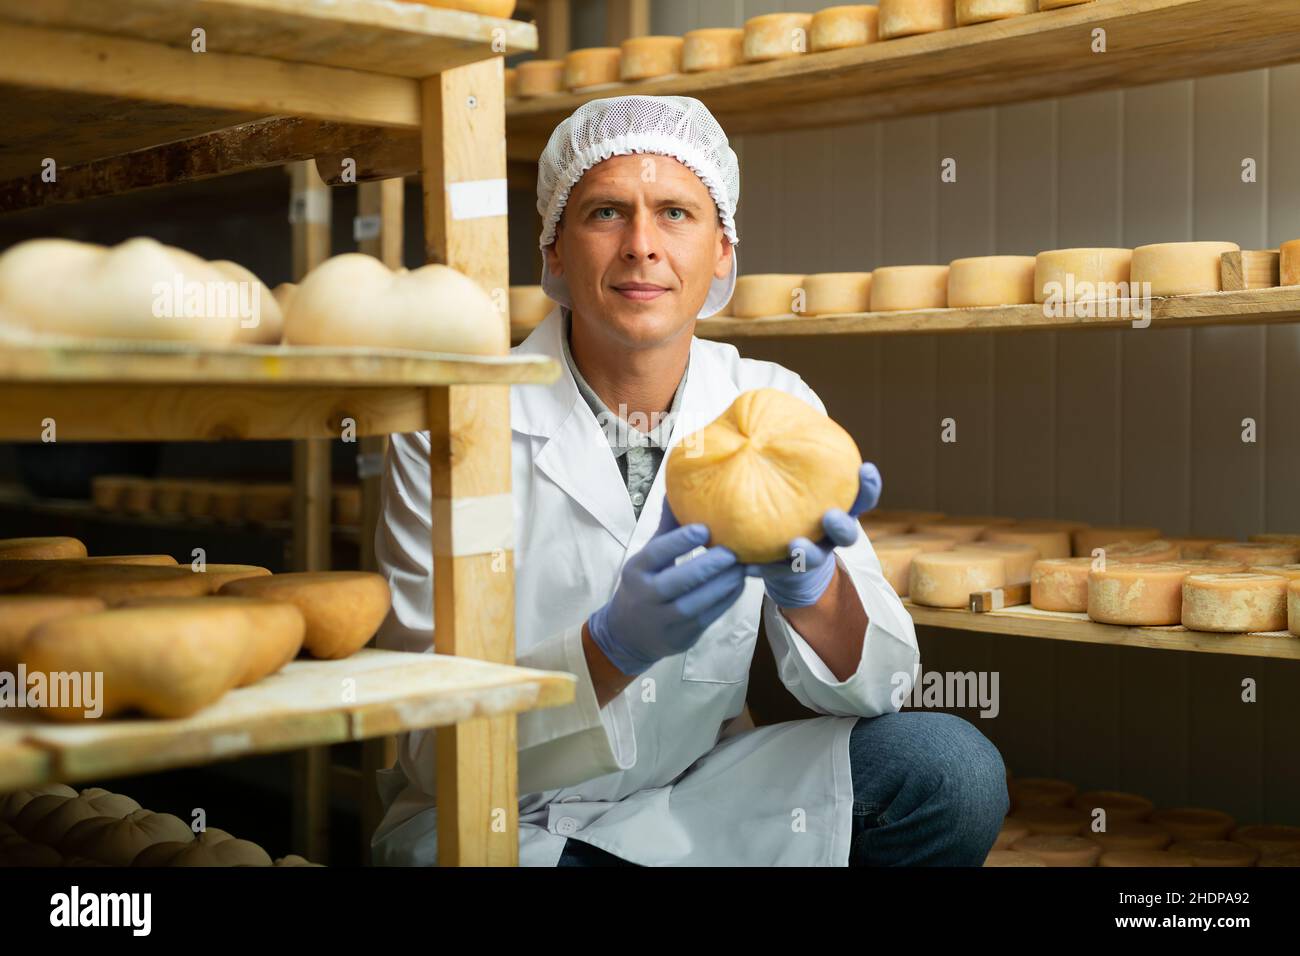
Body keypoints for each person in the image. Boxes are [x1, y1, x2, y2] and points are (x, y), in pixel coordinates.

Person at [370, 94, 1007, 866]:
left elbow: (880, 690)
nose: (643, 245)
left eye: (676, 212)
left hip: (694, 798)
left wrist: (816, 588)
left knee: (948, 773)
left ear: (723, 254)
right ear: (553, 252)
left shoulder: (769, 404)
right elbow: (425, 746)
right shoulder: (451, 425)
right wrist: (609, 650)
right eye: (606, 212)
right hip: (502, 821)